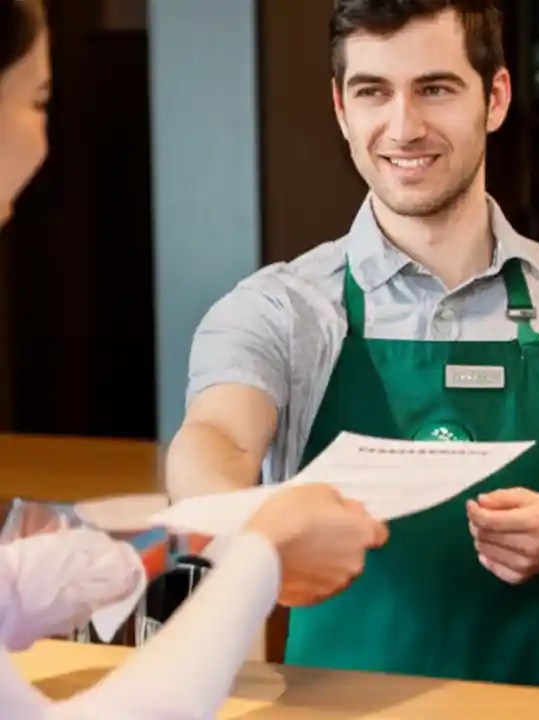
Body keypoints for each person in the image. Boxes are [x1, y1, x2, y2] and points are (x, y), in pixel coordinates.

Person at [166, 0, 539, 690]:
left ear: (494, 98)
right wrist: (251, 528)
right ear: (341, 109)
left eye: (435, 89)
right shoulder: (277, 309)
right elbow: (214, 441)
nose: (403, 127)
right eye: (372, 92)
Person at [0, 1, 390, 715]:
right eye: (37, 100)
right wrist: (257, 555)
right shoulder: (274, 301)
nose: (45, 139)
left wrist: (28, 585)